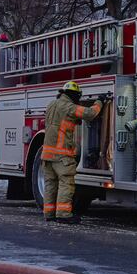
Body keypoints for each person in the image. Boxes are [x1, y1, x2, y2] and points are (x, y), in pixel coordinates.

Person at [41, 81, 105, 224]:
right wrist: (99, 102)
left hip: (47, 153)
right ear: (73, 95)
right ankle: (63, 214)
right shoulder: (68, 106)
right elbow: (90, 113)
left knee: (51, 184)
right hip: (61, 154)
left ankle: (49, 213)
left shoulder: (52, 104)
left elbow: (61, 121)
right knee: (66, 183)